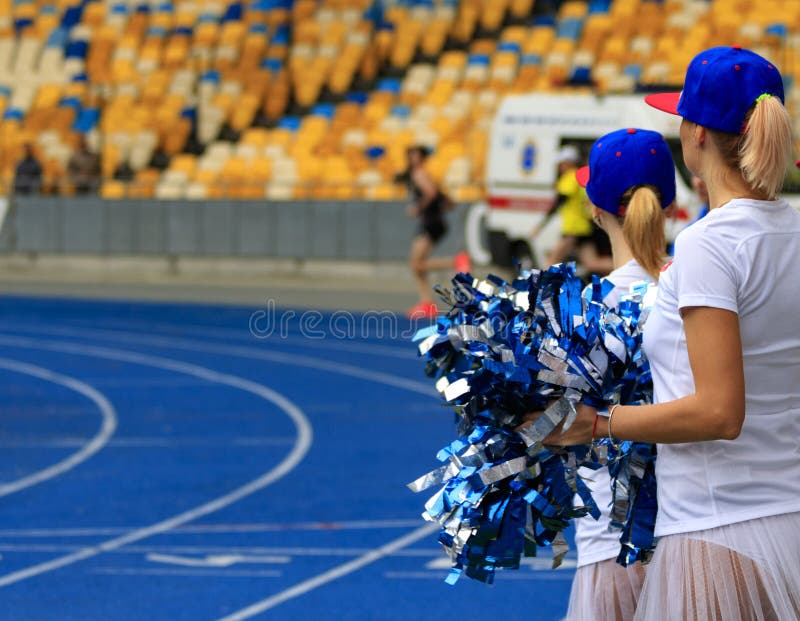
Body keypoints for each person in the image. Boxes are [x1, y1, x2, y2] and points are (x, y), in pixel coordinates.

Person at [538, 46, 800, 619]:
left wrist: (600, 424)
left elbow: (719, 413)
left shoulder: (709, 245)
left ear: (697, 133)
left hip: (719, 528)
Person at [566, 127, 676, 621]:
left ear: (595, 209)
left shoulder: (586, 309)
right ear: (668, 206)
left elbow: (560, 425)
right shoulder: (698, 291)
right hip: (689, 530)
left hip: (612, 540)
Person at [401, 145, 470, 319]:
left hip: (429, 222)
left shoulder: (419, 174)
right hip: (433, 221)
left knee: (416, 264)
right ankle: (427, 304)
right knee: (417, 265)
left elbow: (431, 193)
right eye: (411, 156)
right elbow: (438, 194)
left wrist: (417, 208)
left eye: (415, 156)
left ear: (422, 158)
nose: (412, 159)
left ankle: (456, 262)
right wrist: (447, 202)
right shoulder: (425, 174)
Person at [531, 145, 595, 267]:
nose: (559, 167)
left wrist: (540, 225)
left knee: (552, 261)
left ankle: (542, 285)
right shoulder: (579, 176)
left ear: (568, 163)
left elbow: (559, 203)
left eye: (561, 164)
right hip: (584, 226)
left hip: (573, 228)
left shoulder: (570, 178)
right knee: (592, 263)